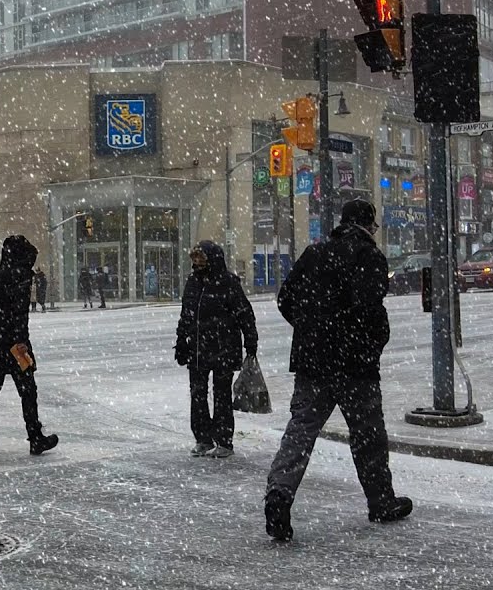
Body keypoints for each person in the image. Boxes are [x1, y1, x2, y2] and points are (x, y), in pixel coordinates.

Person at [265, 199, 411, 542]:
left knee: (301, 431)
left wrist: (309, 330)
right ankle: (380, 501)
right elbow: (370, 309)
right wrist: (372, 341)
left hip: (313, 361)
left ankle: (279, 493)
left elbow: (286, 298)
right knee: (367, 435)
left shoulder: (314, 254)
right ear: (367, 226)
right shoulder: (369, 257)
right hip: (354, 365)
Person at [0, 235, 59, 461]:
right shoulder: (20, 278)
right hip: (16, 346)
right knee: (28, 390)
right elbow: (20, 316)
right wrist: (18, 340)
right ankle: (35, 436)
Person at [174, 242, 257, 459]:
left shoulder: (228, 282)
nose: (197, 263)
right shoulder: (194, 282)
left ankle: (223, 440)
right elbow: (187, 313)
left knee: (221, 395)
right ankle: (203, 438)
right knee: (197, 394)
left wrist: (251, 341)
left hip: (223, 347)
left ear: (212, 259)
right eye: (194, 259)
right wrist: (182, 339)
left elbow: (244, 313)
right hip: (198, 347)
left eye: (201, 258)